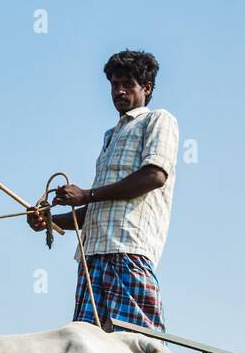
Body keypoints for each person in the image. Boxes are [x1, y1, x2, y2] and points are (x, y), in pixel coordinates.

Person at [29, 49, 179, 331]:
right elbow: (98, 209)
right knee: (86, 347)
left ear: (146, 88)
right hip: (92, 256)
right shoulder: (110, 135)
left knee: (138, 344)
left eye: (127, 85)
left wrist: (86, 194)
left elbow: (154, 176)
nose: (119, 91)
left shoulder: (158, 120)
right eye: (114, 85)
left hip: (127, 250)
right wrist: (50, 221)